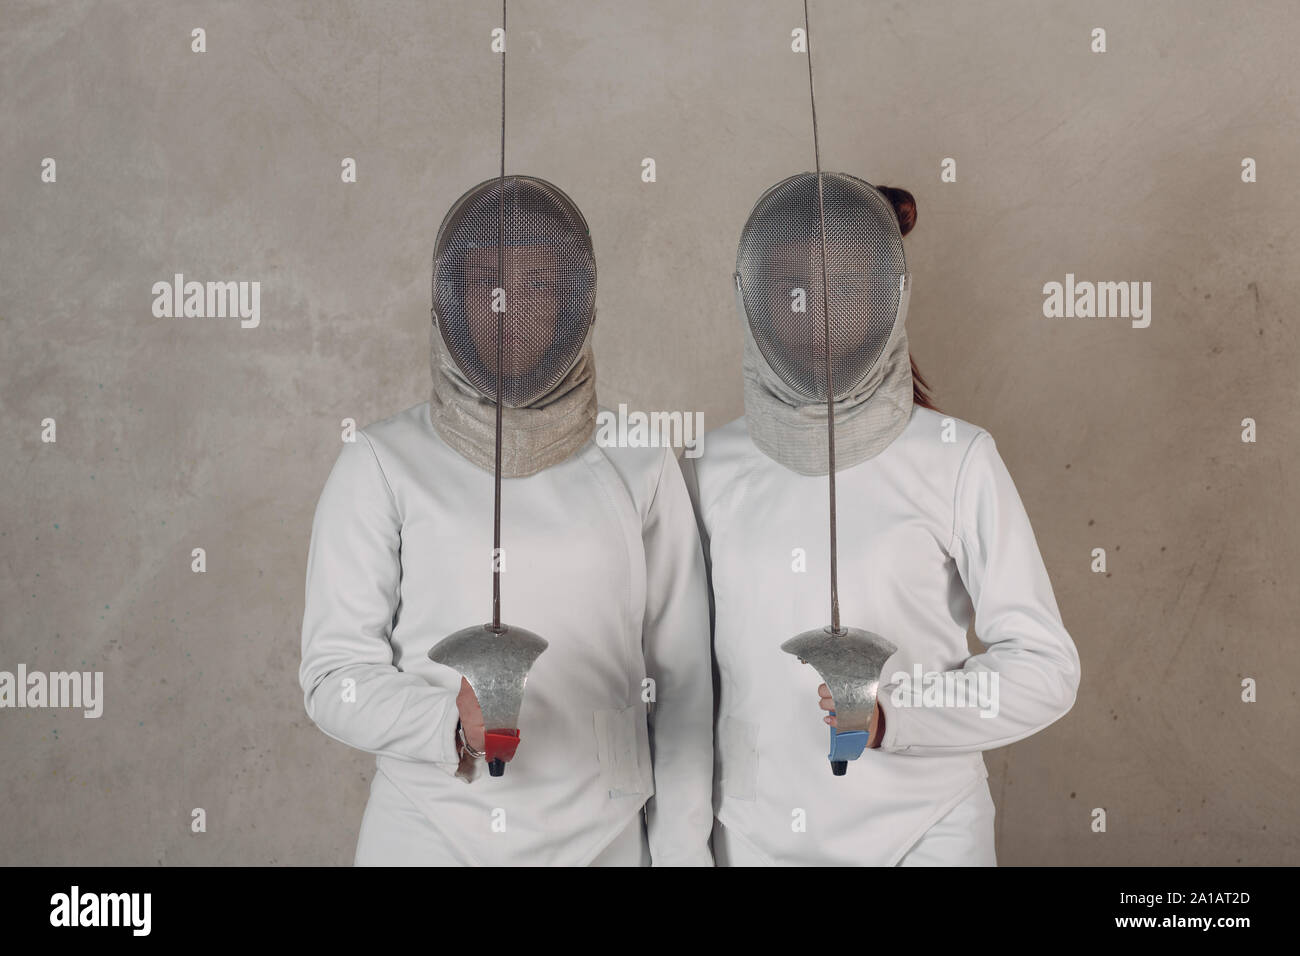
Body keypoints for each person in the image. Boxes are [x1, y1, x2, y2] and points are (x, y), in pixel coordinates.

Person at [299, 175, 714, 866]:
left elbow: (684, 685)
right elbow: (333, 675)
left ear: (577, 306)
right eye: (487, 282)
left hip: (606, 838)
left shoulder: (639, 456)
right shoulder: (379, 461)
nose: (509, 307)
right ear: (453, 300)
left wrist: (682, 857)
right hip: (429, 837)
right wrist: (446, 724)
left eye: (539, 285)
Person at [682, 173, 1080, 866]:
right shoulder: (704, 469)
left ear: (886, 299)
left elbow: (1046, 668)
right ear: (756, 302)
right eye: (792, 290)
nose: (818, 313)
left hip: (928, 836)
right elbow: (678, 684)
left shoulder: (956, 458)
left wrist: (899, 716)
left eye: (845, 289)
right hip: (757, 841)